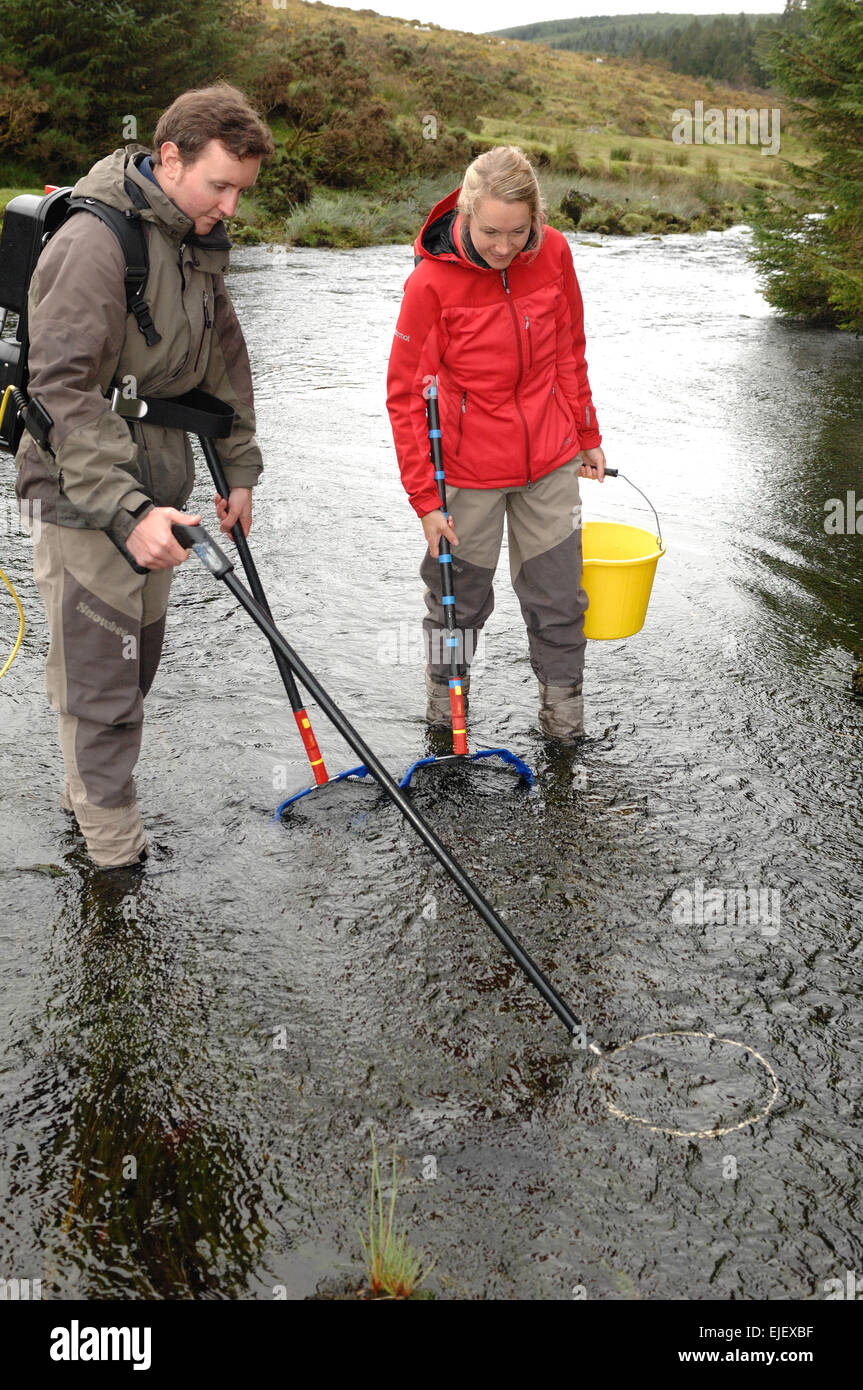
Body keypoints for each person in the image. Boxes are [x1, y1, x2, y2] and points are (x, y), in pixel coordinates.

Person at [15, 84, 274, 870]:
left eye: (241, 191)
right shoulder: (95, 244)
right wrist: (128, 515)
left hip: (161, 492)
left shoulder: (194, 237)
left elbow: (223, 362)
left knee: (136, 669)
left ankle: (86, 801)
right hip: (84, 499)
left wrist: (239, 470)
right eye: (219, 184)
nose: (230, 206)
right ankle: (114, 865)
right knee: (102, 689)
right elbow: (60, 391)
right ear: (169, 157)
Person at [386, 145, 607, 744]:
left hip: (551, 458)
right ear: (464, 215)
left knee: (560, 601)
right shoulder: (430, 281)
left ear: (536, 219)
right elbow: (406, 396)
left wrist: (587, 434)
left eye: (518, 231)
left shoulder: (555, 252)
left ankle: (565, 731)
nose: (505, 247)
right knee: (456, 603)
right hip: (464, 469)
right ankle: (444, 720)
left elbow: (570, 349)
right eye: (490, 231)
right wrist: (425, 501)